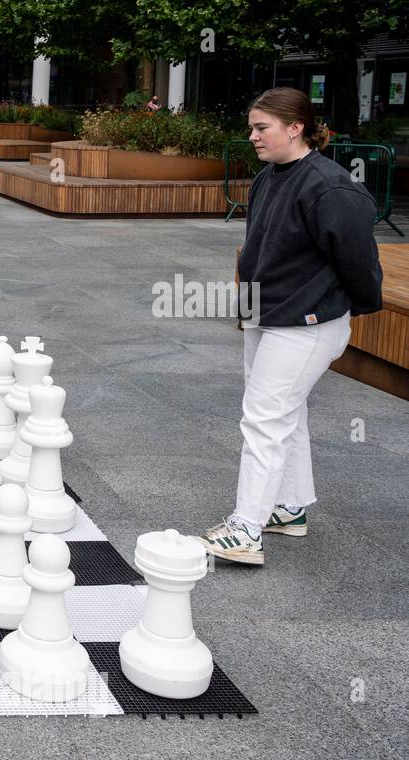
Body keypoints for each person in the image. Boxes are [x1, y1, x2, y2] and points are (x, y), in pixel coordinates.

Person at [197, 87, 381, 565]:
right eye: (252, 127)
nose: (252, 136)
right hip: (267, 313)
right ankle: (288, 508)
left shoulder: (332, 187)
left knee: (263, 419)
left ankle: (246, 529)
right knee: (284, 415)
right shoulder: (269, 177)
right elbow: (261, 248)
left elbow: (359, 262)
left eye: (262, 128)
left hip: (305, 323)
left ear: (295, 127)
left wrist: (352, 307)